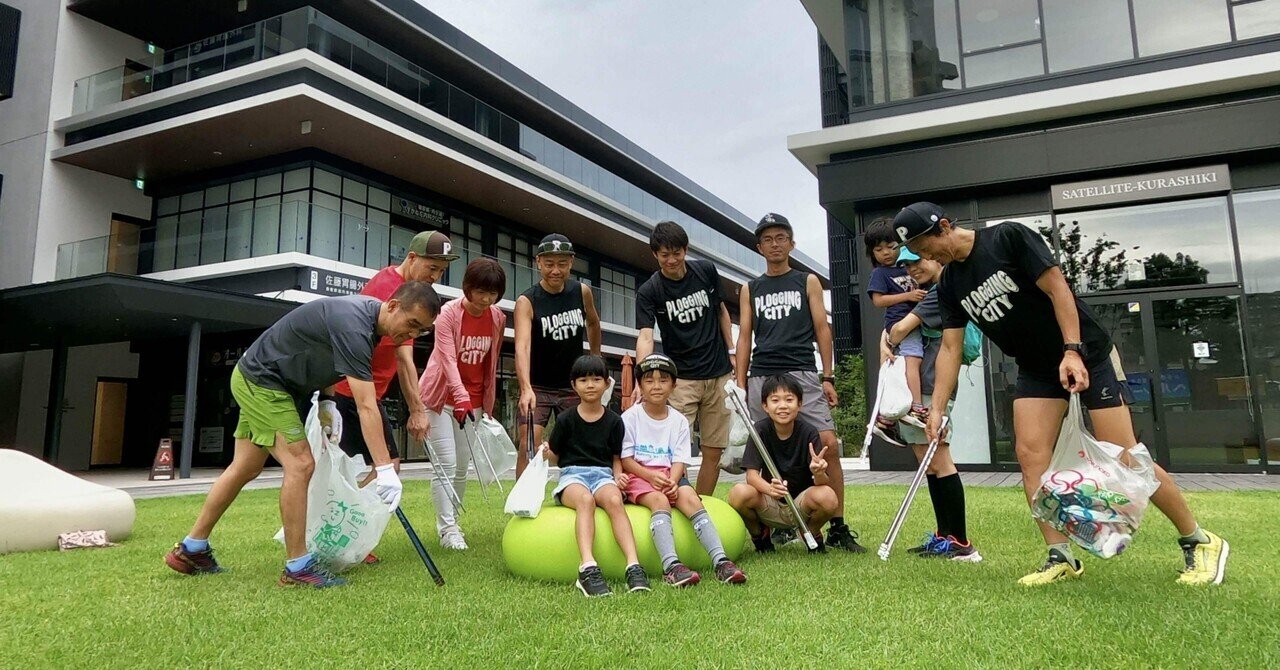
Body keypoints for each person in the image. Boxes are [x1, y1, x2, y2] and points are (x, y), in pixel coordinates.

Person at [897, 201, 1228, 586]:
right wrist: (937, 408)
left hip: (1086, 351)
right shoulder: (952, 283)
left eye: (926, 247)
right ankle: (1061, 556)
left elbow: (1058, 289)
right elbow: (952, 349)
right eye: (919, 253)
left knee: (1125, 455)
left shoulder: (1006, 238)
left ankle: (1199, 541)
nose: (926, 257)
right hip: (1036, 368)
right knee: (1030, 454)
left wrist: (1073, 350)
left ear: (945, 227)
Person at [164, 283, 442, 588]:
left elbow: (326, 357)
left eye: (421, 331)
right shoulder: (355, 324)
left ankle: (192, 549)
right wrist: (385, 468)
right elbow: (366, 405)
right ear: (392, 306)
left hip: (265, 381)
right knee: (301, 464)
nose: (412, 334)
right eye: (412, 324)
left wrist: (328, 402)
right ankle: (298, 567)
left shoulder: (369, 324)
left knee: (245, 466)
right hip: (264, 382)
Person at [736, 213, 863, 553]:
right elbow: (744, 335)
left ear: (791, 243)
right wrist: (740, 382)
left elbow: (823, 328)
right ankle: (771, 524)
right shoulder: (750, 288)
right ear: (759, 247)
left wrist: (828, 376)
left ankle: (835, 525)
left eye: (781, 237)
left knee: (827, 444)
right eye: (768, 239)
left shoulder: (806, 280)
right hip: (762, 373)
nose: (775, 244)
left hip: (804, 371)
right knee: (765, 449)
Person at [329, 230, 454, 564]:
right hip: (350, 392)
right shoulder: (388, 289)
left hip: (371, 393)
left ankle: (344, 531)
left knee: (375, 467)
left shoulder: (412, 296)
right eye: (432, 267)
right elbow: (402, 358)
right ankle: (340, 530)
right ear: (411, 259)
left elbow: (404, 356)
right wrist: (417, 410)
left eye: (441, 271)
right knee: (380, 466)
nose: (435, 277)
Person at [881, 247, 979, 562]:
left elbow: (900, 329)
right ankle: (945, 536)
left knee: (939, 460)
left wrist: (887, 340)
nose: (912, 269)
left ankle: (961, 543)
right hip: (928, 386)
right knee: (931, 464)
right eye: (907, 265)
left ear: (934, 257)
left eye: (916, 261)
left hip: (931, 389)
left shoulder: (940, 293)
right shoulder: (941, 291)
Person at [621, 354, 748, 586]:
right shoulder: (630, 418)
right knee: (659, 500)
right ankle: (671, 566)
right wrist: (651, 476)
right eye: (649, 380)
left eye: (663, 380)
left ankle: (721, 561)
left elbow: (680, 459)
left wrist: (673, 480)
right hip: (639, 474)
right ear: (640, 385)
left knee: (691, 497)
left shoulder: (678, 420)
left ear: (674, 385)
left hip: (670, 474)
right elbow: (626, 459)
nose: (656, 386)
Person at [636, 221, 736, 496]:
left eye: (676, 253)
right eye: (664, 254)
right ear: (655, 255)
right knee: (672, 448)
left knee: (713, 449)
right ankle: (676, 500)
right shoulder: (650, 290)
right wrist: (641, 376)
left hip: (719, 373)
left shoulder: (705, 271)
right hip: (681, 380)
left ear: (685, 250)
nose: (671, 260)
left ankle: (701, 505)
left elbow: (721, 312)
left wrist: (732, 351)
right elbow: (646, 336)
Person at [540, 355, 650, 597]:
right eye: (583, 380)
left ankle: (633, 565)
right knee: (585, 501)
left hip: (603, 476)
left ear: (607, 383)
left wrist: (618, 477)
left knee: (613, 500)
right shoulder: (566, 419)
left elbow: (616, 456)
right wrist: (548, 453)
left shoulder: (614, 421)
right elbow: (558, 458)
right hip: (572, 477)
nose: (590, 385)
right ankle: (588, 567)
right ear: (574, 385)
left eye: (596, 379)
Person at [418, 258, 506, 550]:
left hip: (475, 401)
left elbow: (489, 363)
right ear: (467, 287)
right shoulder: (448, 314)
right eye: (481, 292)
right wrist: (460, 395)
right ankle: (447, 529)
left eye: (493, 294)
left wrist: (483, 401)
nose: (486, 299)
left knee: (461, 466)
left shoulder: (497, 318)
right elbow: (447, 359)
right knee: (445, 463)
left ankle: (453, 522)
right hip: (441, 398)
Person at [514, 233, 602, 476]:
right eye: (549, 264)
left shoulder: (581, 291)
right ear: (538, 262)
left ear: (571, 262)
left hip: (573, 385)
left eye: (562, 264)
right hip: (538, 386)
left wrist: (597, 362)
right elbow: (522, 346)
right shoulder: (527, 300)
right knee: (528, 442)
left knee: (580, 443)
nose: (556, 270)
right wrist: (525, 388)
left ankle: (580, 491)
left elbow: (593, 323)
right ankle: (524, 503)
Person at [727, 375, 840, 553]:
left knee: (828, 496)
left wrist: (818, 472)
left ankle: (810, 532)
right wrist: (770, 489)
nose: (782, 406)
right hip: (770, 503)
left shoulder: (809, 432)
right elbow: (751, 475)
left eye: (789, 400)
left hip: (801, 505)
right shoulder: (760, 431)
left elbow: (821, 483)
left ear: (800, 404)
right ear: (765, 406)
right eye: (775, 400)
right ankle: (760, 534)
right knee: (738, 493)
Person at [865, 218, 928, 428]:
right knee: (913, 360)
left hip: (912, 323)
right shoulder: (880, 273)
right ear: (872, 253)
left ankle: (886, 413)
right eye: (879, 249)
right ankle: (917, 406)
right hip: (901, 323)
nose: (886, 253)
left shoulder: (907, 267)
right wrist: (907, 297)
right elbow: (878, 300)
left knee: (896, 367)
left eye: (891, 247)